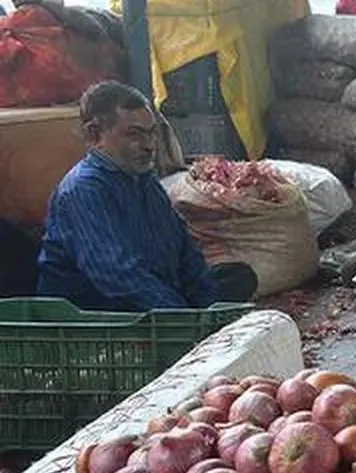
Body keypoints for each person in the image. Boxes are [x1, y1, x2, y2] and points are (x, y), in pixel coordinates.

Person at [37, 81, 257, 312]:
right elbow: (117, 275)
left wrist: (207, 305)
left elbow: (183, 248)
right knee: (146, 297)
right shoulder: (84, 189)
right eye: (134, 134)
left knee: (235, 277)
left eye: (151, 134)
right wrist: (182, 316)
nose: (149, 146)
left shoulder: (143, 180)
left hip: (152, 291)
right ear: (95, 135)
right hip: (102, 311)